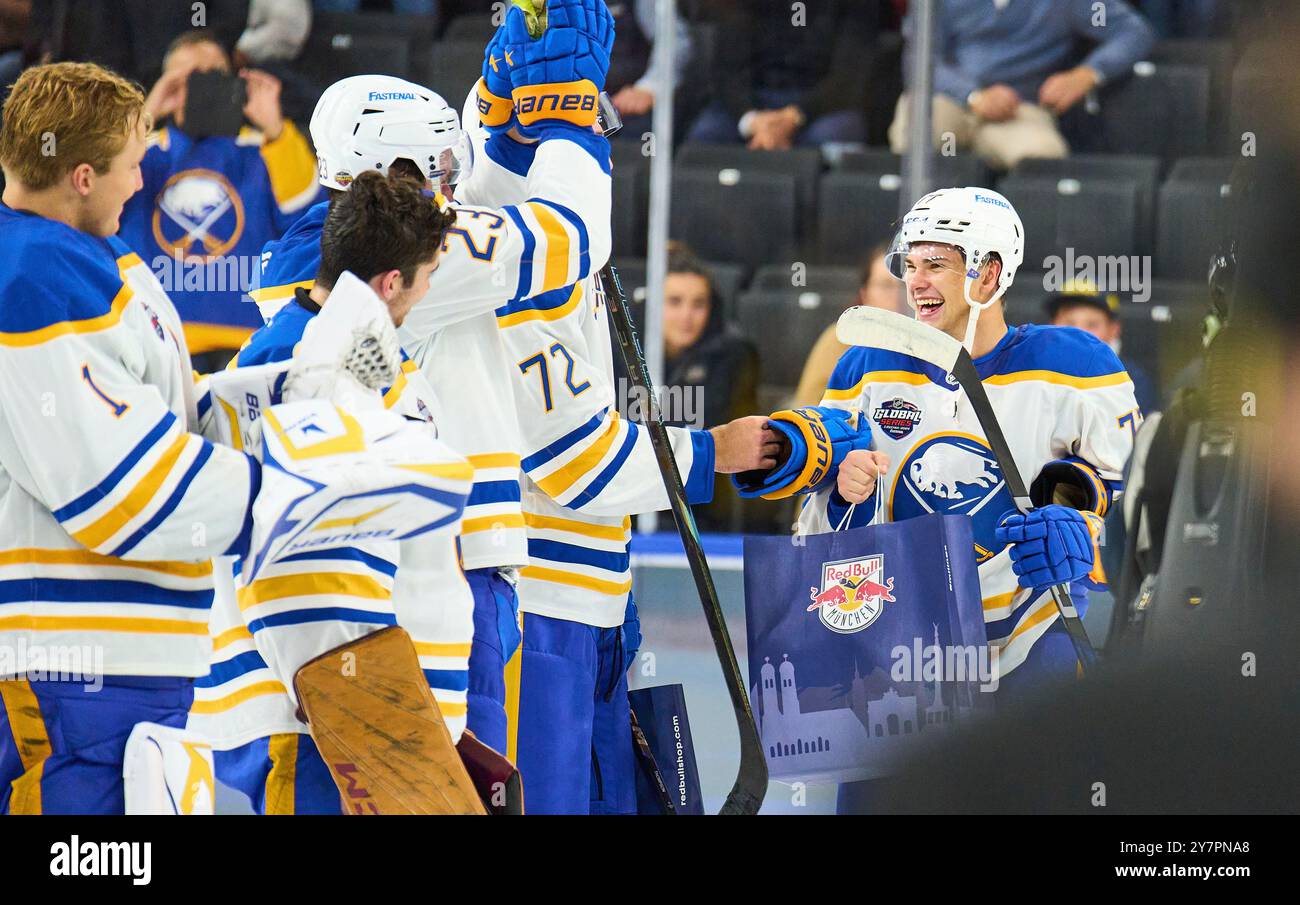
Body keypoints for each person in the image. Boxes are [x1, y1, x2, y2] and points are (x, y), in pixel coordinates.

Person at [407, 0, 779, 814]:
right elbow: (581, 462)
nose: (598, 132)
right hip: (545, 613)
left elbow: (505, 197)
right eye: (589, 113)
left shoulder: (469, 250)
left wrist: (514, 116)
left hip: (577, 608)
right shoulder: (500, 279)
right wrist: (715, 451)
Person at [743, 188, 1139, 810]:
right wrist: (842, 488)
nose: (915, 281)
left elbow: (1112, 491)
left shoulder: (1074, 365)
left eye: (937, 264)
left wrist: (1075, 522)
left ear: (989, 270)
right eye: (911, 263)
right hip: (899, 651)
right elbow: (819, 500)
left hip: (1028, 637)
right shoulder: (867, 365)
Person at [0, 62, 261, 814]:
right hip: (77, 663)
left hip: (114, 658)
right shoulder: (35, 273)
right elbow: (117, 488)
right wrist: (283, 494)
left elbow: (150, 416)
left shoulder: (83, 255)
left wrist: (259, 403)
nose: (143, 182)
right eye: (132, 165)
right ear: (81, 176)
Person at [192, 169, 469, 815]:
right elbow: (289, 558)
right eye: (427, 274)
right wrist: (335, 688)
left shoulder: (340, 353)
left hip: (346, 687)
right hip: (317, 702)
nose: (429, 289)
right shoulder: (288, 368)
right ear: (391, 282)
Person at [117, 28, 320, 364]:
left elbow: (305, 219)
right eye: (189, 79)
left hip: (248, 340)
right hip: (156, 337)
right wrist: (146, 113)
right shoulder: (144, 150)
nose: (203, 89)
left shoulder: (265, 146)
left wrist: (276, 127)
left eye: (216, 76)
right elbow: (96, 202)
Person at [890, 0, 1156, 170]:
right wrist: (973, 96)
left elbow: (1133, 31)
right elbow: (919, 58)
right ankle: (916, 243)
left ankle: (1014, 250)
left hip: (1020, 107)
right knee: (916, 133)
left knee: (1041, 159)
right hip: (950, 98)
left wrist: (1088, 73)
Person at [652, 242, 760, 531]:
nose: (686, 316)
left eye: (698, 304)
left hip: (707, 515)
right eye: (675, 302)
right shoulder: (624, 354)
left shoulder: (733, 355)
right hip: (639, 509)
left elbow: (710, 430)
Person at [686, 0, 874, 149]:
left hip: (821, 106)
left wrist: (794, 117)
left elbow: (849, 77)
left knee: (835, 136)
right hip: (753, 100)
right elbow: (726, 71)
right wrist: (752, 119)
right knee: (705, 136)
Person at [793, 242, 906, 407]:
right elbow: (808, 406)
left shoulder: (930, 343)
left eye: (903, 286)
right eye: (886, 285)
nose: (897, 295)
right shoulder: (841, 337)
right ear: (865, 294)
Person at [1045, 281, 1159, 414]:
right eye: (1069, 323)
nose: (1079, 332)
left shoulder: (1132, 381)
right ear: (1051, 325)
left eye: (1092, 324)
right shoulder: (1031, 371)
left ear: (1113, 330)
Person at [604, 0, 693, 141]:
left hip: (631, 96)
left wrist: (649, 87)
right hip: (580, 95)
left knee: (638, 134)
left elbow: (673, 41)